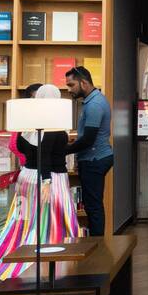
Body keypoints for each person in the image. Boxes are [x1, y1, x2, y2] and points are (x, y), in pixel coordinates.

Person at [0, 83, 79, 279]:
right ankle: (51, 265)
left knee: (23, 220)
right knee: (53, 220)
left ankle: (15, 256)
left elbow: (21, 147)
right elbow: (45, 158)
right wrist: (46, 182)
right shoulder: (53, 126)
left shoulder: (27, 125)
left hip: (27, 177)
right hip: (50, 178)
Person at [65, 65, 113, 237]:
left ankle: (98, 245)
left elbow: (88, 139)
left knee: (93, 206)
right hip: (96, 157)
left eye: (71, 85)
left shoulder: (95, 104)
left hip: (95, 159)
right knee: (93, 204)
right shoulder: (93, 101)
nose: (69, 89)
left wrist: (64, 151)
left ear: (84, 83)